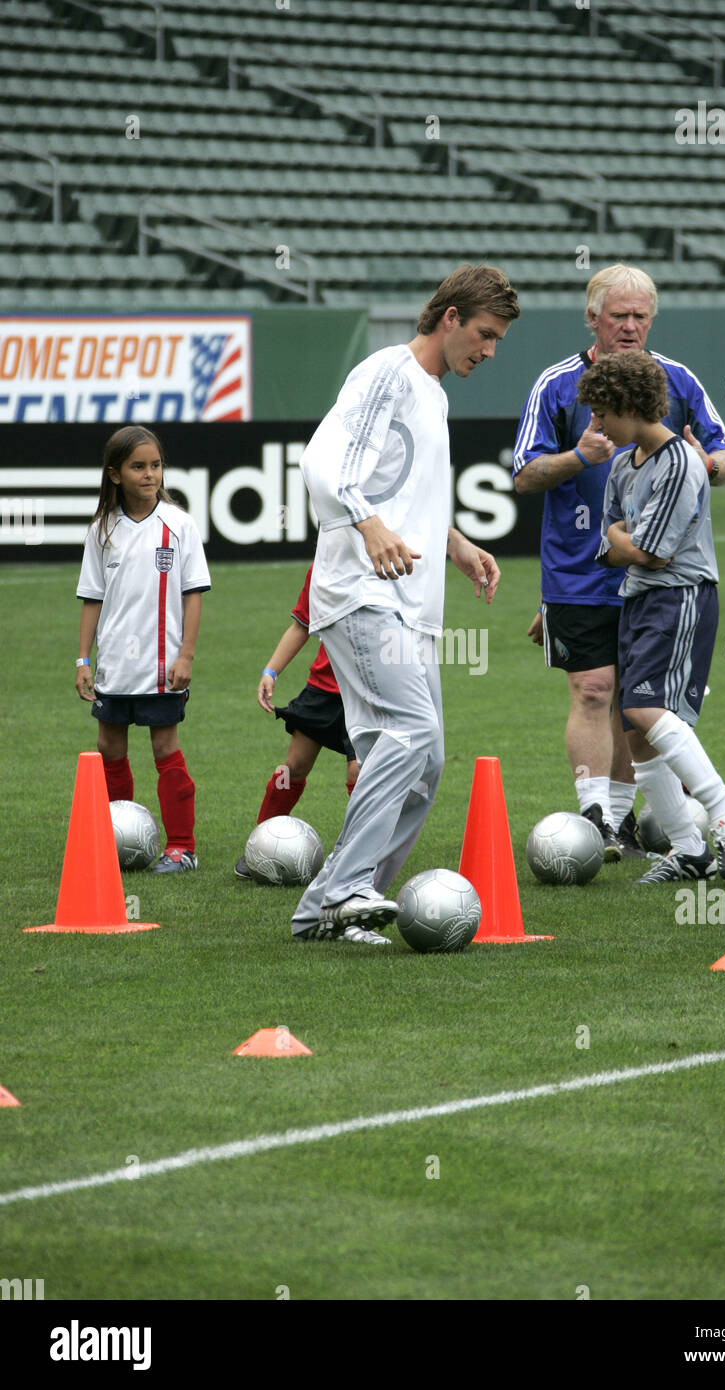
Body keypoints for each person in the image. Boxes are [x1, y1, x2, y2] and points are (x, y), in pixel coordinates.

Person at [290, 264, 519, 945]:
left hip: (411, 604)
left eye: (498, 340)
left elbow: (398, 491)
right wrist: (365, 524)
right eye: (483, 334)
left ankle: (323, 912)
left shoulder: (432, 393)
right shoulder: (388, 371)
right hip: (362, 593)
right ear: (448, 317)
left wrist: (453, 543)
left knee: (424, 766)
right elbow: (321, 464)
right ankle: (345, 890)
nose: (488, 350)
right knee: (410, 733)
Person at [513, 264, 725, 860]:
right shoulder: (556, 385)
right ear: (593, 318)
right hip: (579, 571)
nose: (631, 326)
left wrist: (704, 465)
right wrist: (578, 457)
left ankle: (630, 823)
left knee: (639, 706)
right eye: (620, 316)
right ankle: (599, 821)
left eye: (641, 316)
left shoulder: (677, 379)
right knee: (594, 689)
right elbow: (524, 474)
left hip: (660, 577)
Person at [581, 351, 725, 882]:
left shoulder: (680, 463)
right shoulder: (620, 465)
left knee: (648, 709)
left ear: (629, 406)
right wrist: (619, 544)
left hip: (678, 597)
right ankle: (688, 849)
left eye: (601, 414)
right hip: (639, 599)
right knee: (636, 729)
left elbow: (652, 552)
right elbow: (607, 540)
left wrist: (619, 544)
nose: (596, 426)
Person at [75, 426, 210, 873]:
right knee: (108, 746)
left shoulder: (180, 524)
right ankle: (121, 839)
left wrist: (186, 655)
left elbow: (193, 593)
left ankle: (182, 847)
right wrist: (83, 659)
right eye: (138, 467)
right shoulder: (101, 530)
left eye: (155, 465)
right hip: (114, 663)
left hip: (161, 666)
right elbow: (92, 597)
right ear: (115, 475)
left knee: (164, 747)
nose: (149, 474)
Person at [234, 563, 359, 878]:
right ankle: (259, 844)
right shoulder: (322, 568)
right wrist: (270, 671)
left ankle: (359, 860)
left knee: (360, 773)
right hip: (323, 689)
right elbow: (302, 625)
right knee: (292, 769)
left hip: (366, 694)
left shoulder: (384, 559)